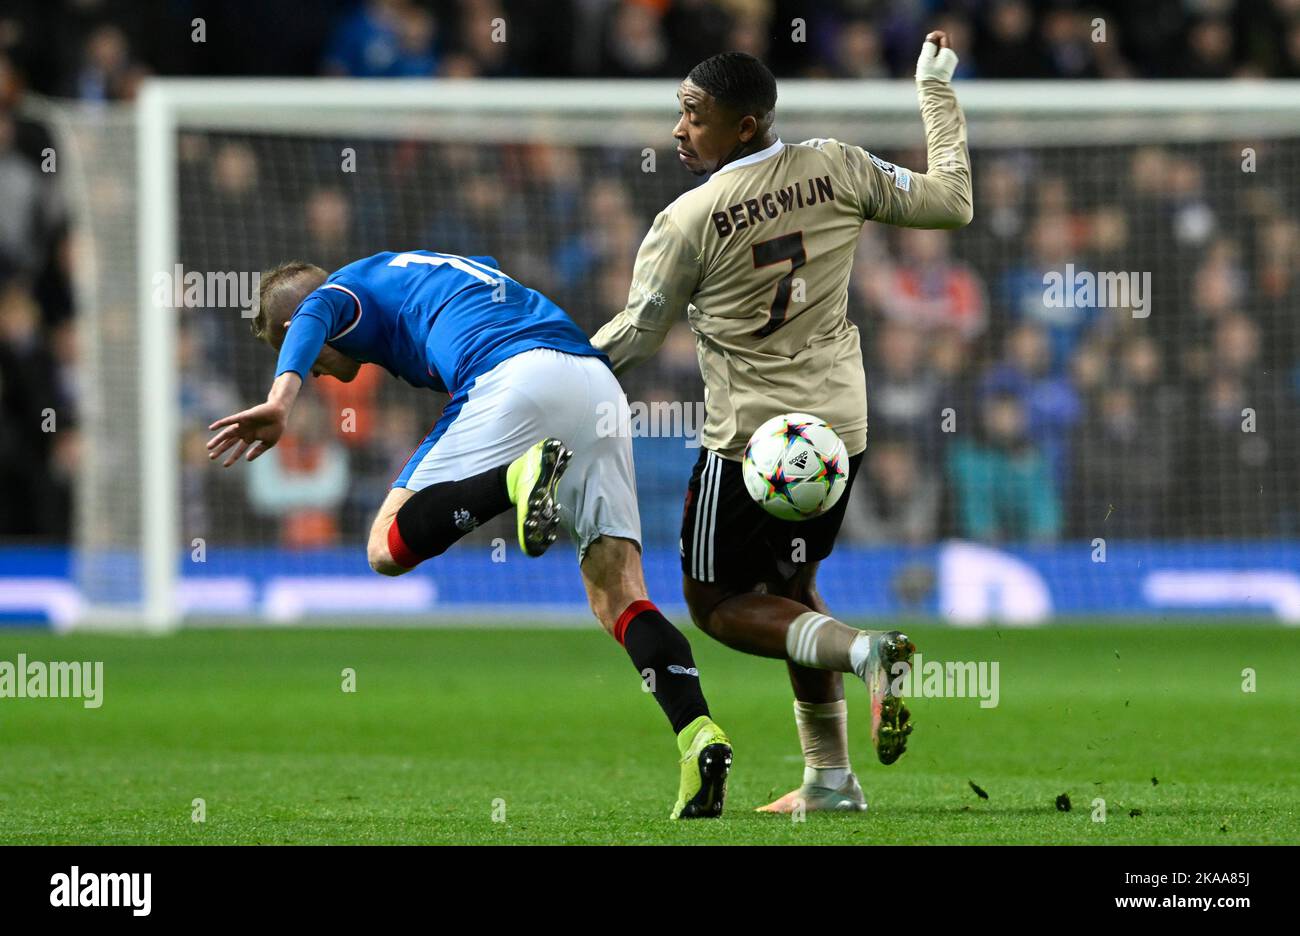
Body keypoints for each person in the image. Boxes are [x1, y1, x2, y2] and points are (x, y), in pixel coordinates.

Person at [206, 250, 732, 819]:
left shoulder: (343, 293)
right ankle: (698, 735)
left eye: (302, 361)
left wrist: (282, 399)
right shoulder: (423, 268)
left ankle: (515, 476)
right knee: (620, 595)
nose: (312, 372)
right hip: (592, 380)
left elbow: (313, 312)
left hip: (511, 376)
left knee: (384, 546)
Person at [591, 34, 972, 812]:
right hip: (838, 434)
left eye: (694, 114)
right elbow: (952, 202)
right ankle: (830, 780)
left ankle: (868, 651)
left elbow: (636, 333)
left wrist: (546, 375)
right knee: (794, 586)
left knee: (718, 607)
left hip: (751, 446)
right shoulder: (840, 164)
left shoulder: (688, 218)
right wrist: (934, 92)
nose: (678, 129)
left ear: (746, 124)